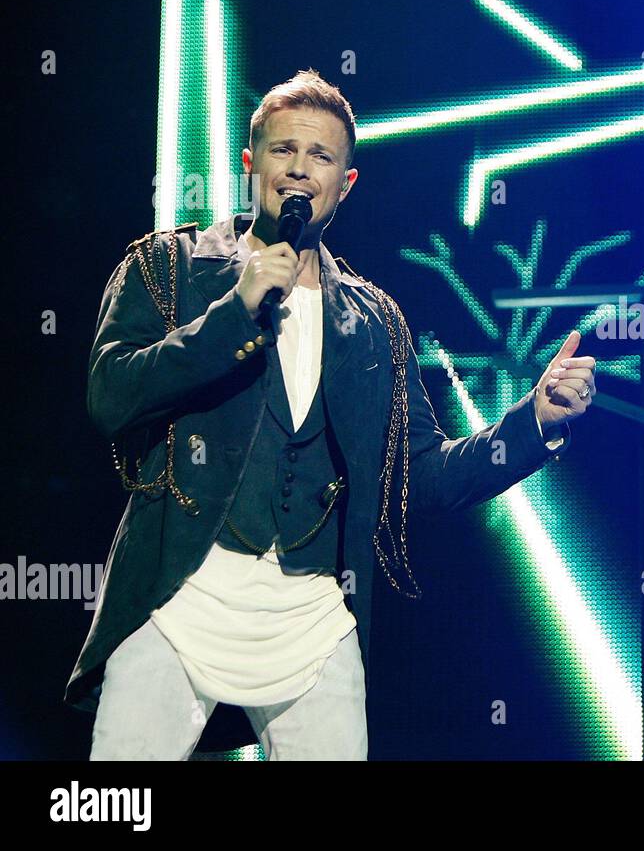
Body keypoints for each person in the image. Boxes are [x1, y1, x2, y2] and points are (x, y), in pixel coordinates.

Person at [67, 69, 596, 759]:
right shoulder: (169, 267)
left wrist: (535, 422)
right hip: (177, 598)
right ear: (251, 164)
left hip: (314, 617)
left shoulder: (373, 322)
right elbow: (111, 395)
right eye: (284, 150)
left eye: (321, 156)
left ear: (344, 183)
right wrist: (234, 316)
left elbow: (424, 477)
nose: (300, 168)